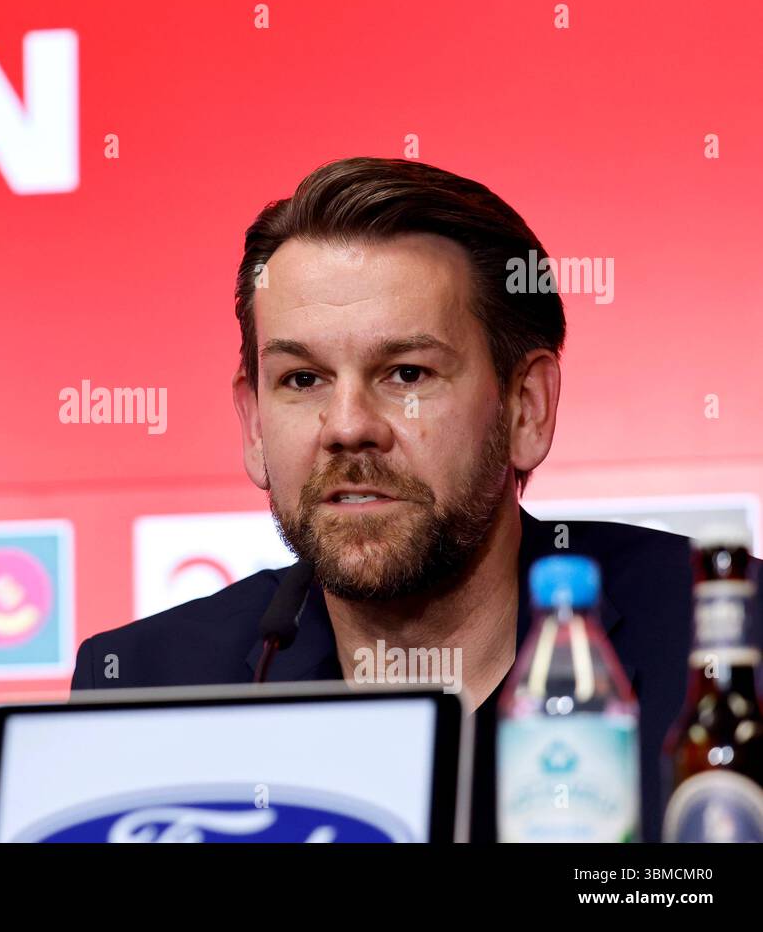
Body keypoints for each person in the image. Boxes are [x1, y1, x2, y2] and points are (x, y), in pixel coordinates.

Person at [69, 156, 761, 843]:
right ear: (253, 424)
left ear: (526, 409)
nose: (346, 426)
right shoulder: (147, 688)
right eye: (303, 379)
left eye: (406, 373)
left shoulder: (730, 643)